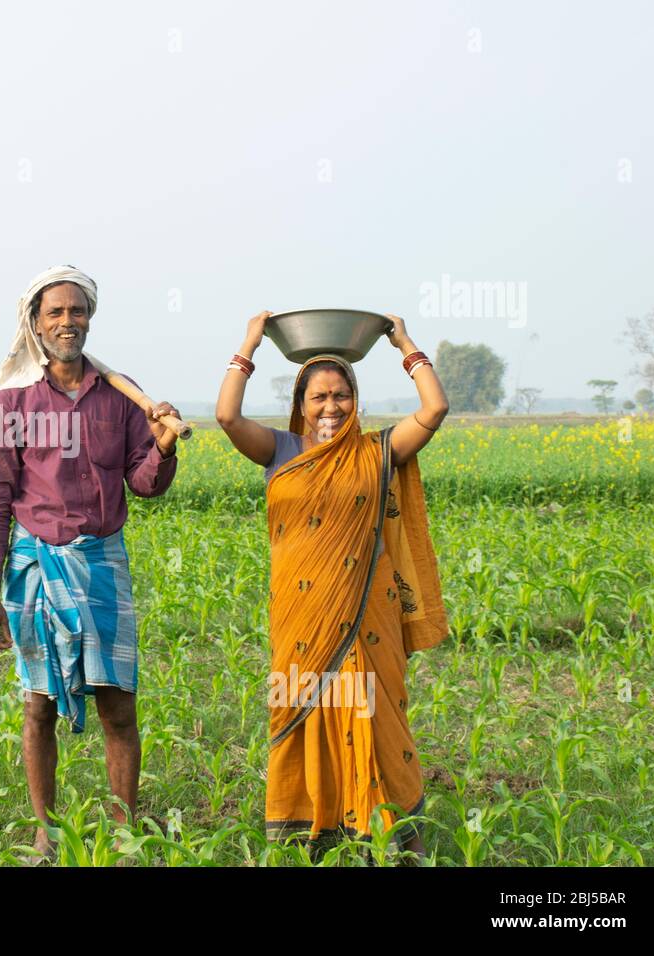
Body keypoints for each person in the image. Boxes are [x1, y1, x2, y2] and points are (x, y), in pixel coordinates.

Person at [214, 310, 450, 861]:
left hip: (369, 617)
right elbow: (226, 416)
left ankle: (392, 837)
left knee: (377, 717)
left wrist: (404, 342)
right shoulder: (279, 452)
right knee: (300, 710)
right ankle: (310, 832)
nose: (330, 407)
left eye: (341, 395)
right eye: (318, 397)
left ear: (355, 399)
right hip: (300, 618)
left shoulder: (379, 452)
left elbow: (434, 409)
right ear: (301, 404)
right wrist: (251, 342)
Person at [0, 265, 181, 863]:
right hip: (35, 565)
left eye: (78, 311)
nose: (68, 321)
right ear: (36, 323)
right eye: (56, 312)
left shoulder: (121, 395)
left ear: (91, 318)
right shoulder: (10, 401)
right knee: (37, 704)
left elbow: (144, 482)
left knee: (118, 701)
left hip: (101, 560)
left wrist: (162, 446)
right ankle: (46, 829)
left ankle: (125, 827)